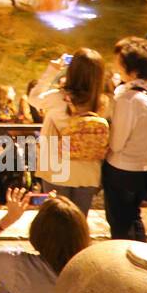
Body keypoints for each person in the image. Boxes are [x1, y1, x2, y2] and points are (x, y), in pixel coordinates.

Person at [28, 49, 109, 217]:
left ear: (71, 70)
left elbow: (33, 97)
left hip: (55, 167)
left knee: (56, 220)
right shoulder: (104, 103)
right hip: (88, 171)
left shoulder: (56, 98)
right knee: (79, 221)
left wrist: (52, 70)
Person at [101, 36, 147, 241]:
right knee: (135, 217)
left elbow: (117, 143)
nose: (116, 67)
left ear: (133, 70)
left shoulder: (128, 99)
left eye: (120, 64)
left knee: (120, 223)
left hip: (123, 171)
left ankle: (123, 266)